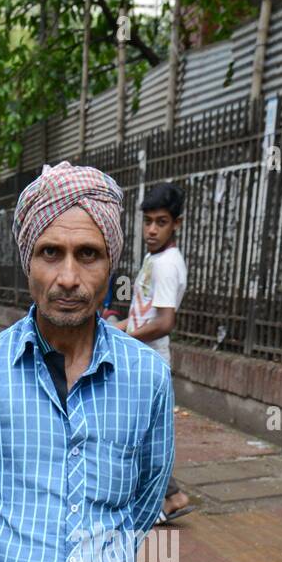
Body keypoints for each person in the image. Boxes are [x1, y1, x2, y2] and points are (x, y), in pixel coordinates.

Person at [0, 160, 174, 562]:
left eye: (88, 254)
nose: (69, 277)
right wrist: (6, 560)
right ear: (28, 260)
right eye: (51, 252)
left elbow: (149, 495)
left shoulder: (148, 376)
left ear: (110, 264)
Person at [118, 182, 192, 522]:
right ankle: (166, 496)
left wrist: (128, 334)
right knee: (139, 433)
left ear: (176, 223)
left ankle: (171, 496)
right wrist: (116, 327)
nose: (151, 229)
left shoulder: (167, 264)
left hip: (150, 363)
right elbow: (144, 312)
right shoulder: (154, 257)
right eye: (147, 221)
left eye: (160, 222)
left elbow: (164, 322)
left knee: (140, 435)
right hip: (139, 358)